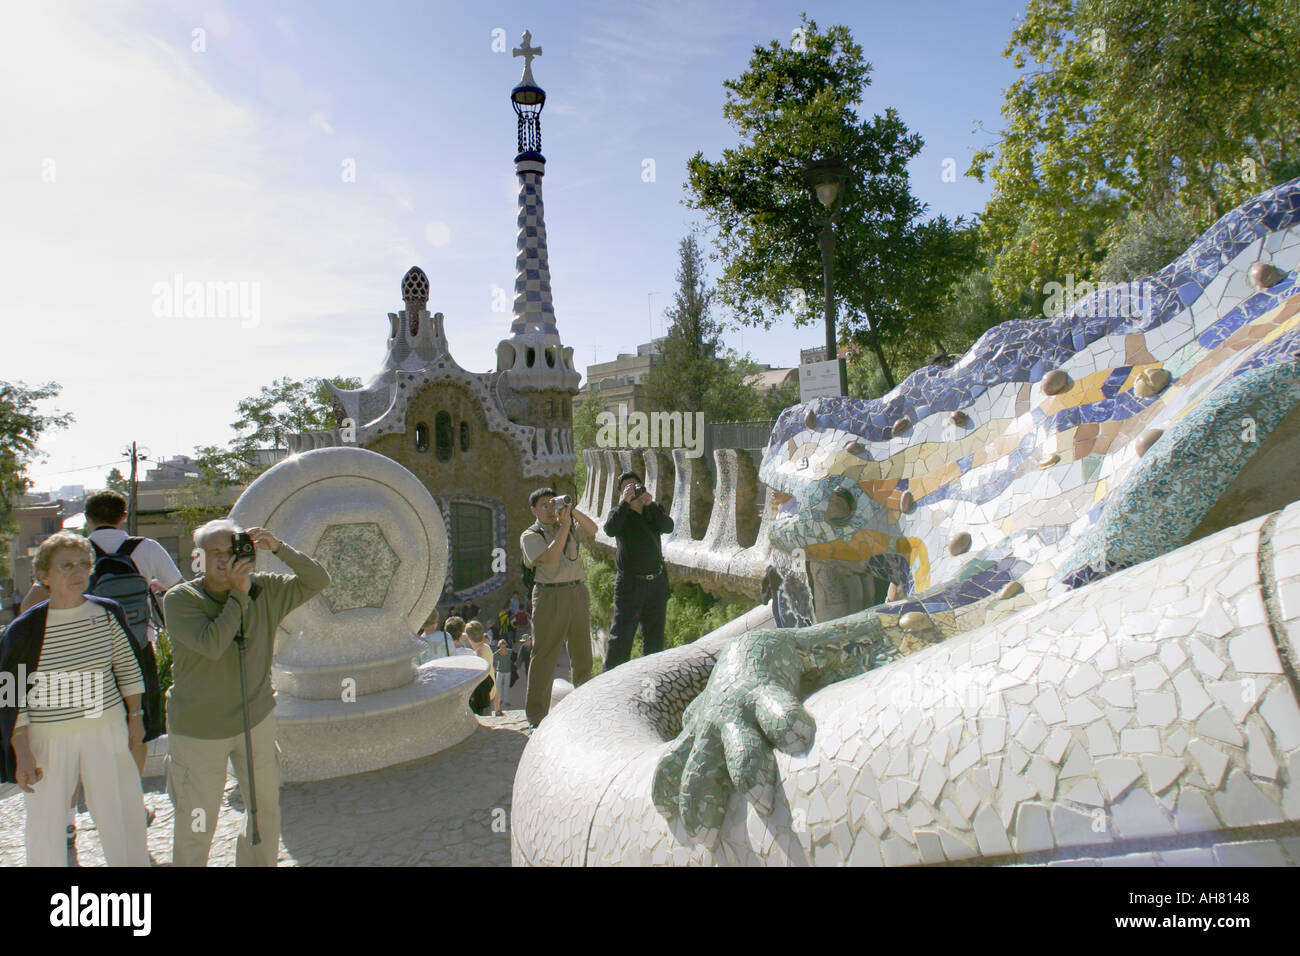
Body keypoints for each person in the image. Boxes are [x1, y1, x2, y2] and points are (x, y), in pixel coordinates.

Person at [163, 518, 330, 867]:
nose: (225, 561)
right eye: (215, 554)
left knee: (263, 812)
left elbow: (318, 580)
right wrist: (239, 595)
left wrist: (278, 547)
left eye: (233, 551)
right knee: (198, 819)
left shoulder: (266, 590)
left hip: (255, 720)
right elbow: (212, 643)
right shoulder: (180, 600)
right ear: (199, 558)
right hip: (199, 731)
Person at [0, 532, 151, 866]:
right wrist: (22, 751)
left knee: (122, 817)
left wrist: (136, 718)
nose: (77, 571)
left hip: (107, 730)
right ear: (44, 575)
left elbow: (128, 666)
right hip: (48, 740)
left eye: (84, 564)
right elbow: (10, 692)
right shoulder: (24, 629)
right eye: (66, 565)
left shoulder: (108, 613)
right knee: (45, 826)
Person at [84, 490, 183, 776]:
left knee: (96, 722)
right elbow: (178, 586)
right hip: (139, 645)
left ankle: (97, 788)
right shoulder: (147, 547)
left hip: (93, 652)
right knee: (138, 720)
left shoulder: (78, 550)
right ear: (123, 516)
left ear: (87, 518)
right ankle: (131, 789)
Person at [520, 488, 596, 727]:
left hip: (576, 591)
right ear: (533, 510)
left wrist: (571, 511)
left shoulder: (568, 525)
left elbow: (593, 530)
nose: (550, 509)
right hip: (549, 595)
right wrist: (563, 527)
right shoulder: (530, 535)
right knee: (545, 655)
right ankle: (536, 716)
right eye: (544, 505)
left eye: (553, 504)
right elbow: (550, 557)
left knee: (582, 652)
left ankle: (585, 708)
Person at [603, 472, 674, 670]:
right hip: (630, 585)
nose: (632, 489)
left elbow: (668, 527)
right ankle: (609, 687)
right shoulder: (619, 514)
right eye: (627, 487)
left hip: (656, 583)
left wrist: (650, 504)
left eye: (635, 485)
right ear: (621, 493)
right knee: (621, 638)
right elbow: (610, 529)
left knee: (654, 639)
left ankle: (652, 684)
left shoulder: (653, 509)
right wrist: (624, 504)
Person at [464, 621, 494, 716]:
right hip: (491, 691)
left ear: (468, 638)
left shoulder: (478, 653)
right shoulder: (486, 647)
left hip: (483, 695)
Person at [493, 639, 513, 714]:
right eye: (501, 647)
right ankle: (500, 700)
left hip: (508, 671)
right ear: (499, 646)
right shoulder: (496, 654)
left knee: (506, 686)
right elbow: (494, 664)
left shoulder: (510, 652)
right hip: (500, 671)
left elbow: (515, 659)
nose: (503, 648)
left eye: (504, 646)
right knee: (498, 686)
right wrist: (494, 671)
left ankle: (506, 701)